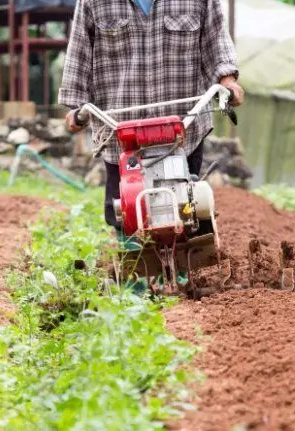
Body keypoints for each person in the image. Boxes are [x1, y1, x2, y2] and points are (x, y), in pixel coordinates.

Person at [59, 0, 244, 288]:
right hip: (121, 131)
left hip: (182, 128)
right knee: (124, 214)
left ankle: (184, 281)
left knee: (190, 207)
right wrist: (74, 107)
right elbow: (80, 52)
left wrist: (228, 81)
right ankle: (134, 287)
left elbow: (215, 41)